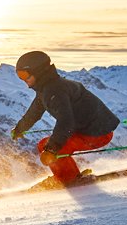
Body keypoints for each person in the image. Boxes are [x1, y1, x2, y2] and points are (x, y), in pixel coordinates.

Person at [10, 51, 120, 187]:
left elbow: (66, 122)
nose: (23, 80)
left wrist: (52, 150)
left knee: (53, 148)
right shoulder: (45, 89)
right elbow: (34, 113)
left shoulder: (55, 91)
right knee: (44, 146)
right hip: (88, 129)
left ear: (38, 72)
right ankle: (66, 176)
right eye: (19, 76)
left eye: (24, 75)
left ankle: (71, 180)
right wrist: (20, 128)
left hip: (98, 133)